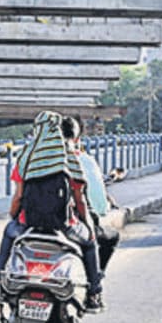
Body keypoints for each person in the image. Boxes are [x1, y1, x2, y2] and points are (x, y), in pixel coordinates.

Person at [0, 111, 105, 310]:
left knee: (9, 232)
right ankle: (94, 292)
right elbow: (80, 200)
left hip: (29, 224)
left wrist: (15, 217)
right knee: (89, 243)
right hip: (64, 226)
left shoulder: (26, 156)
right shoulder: (68, 157)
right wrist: (89, 226)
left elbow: (17, 197)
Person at [65, 116, 120, 272]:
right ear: (76, 139)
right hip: (68, 223)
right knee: (96, 240)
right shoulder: (82, 161)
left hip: (32, 224)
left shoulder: (33, 159)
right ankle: (94, 283)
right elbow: (88, 203)